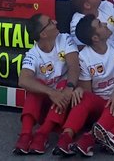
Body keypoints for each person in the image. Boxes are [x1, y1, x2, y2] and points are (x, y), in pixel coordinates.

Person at [53, 14, 114, 156]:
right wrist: (80, 90)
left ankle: (88, 139)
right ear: (95, 38)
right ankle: (66, 137)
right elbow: (88, 91)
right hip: (101, 104)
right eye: (100, 24)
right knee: (82, 96)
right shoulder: (83, 57)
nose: (105, 23)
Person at [14, 13, 81, 155]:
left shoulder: (65, 39)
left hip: (65, 100)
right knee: (35, 86)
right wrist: (51, 92)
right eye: (50, 22)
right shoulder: (32, 54)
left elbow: (74, 66)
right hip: (46, 105)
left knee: (63, 84)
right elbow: (23, 80)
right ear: (43, 34)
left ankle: (42, 135)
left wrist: (69, 87)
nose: (55, 22)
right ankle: (25, 134)